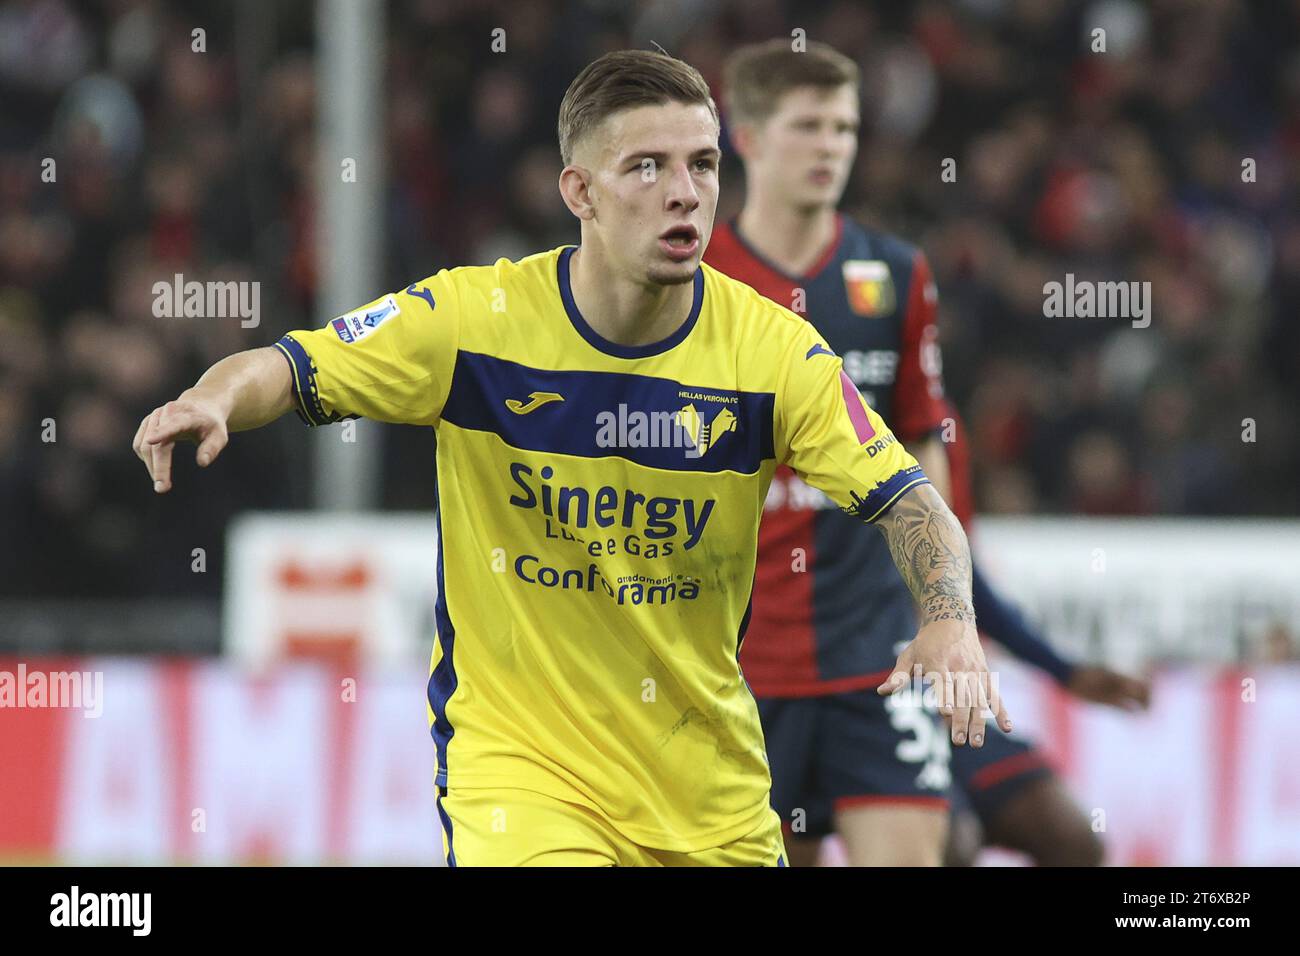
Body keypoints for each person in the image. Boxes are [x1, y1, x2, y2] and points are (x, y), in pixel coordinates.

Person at [132, 49, 1007, 867]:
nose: (685, 193)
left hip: (710, 790)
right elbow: (291, 366)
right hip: (522, 777)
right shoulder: (472, 323)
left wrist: (948, 616)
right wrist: (213, 397)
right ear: (579, 191)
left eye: (703, 165)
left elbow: (910, 499)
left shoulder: (774, 353)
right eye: (647, 167)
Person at [706, 39, 956, 866]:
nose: (831, 147)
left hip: (876, 655)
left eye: (844, 128)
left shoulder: (894, 272)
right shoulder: (696, 278)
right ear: (747, 137)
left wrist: (943, 606)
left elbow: (921, 442)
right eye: (808, 126)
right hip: (733, 667)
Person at [939, 400, 1151, 867]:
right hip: (856, 701)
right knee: (952, 843)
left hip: (946, 711)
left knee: (1074, 842)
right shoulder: (827, 423)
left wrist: (1064, 669)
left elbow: (958, 577)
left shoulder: (940, 425)